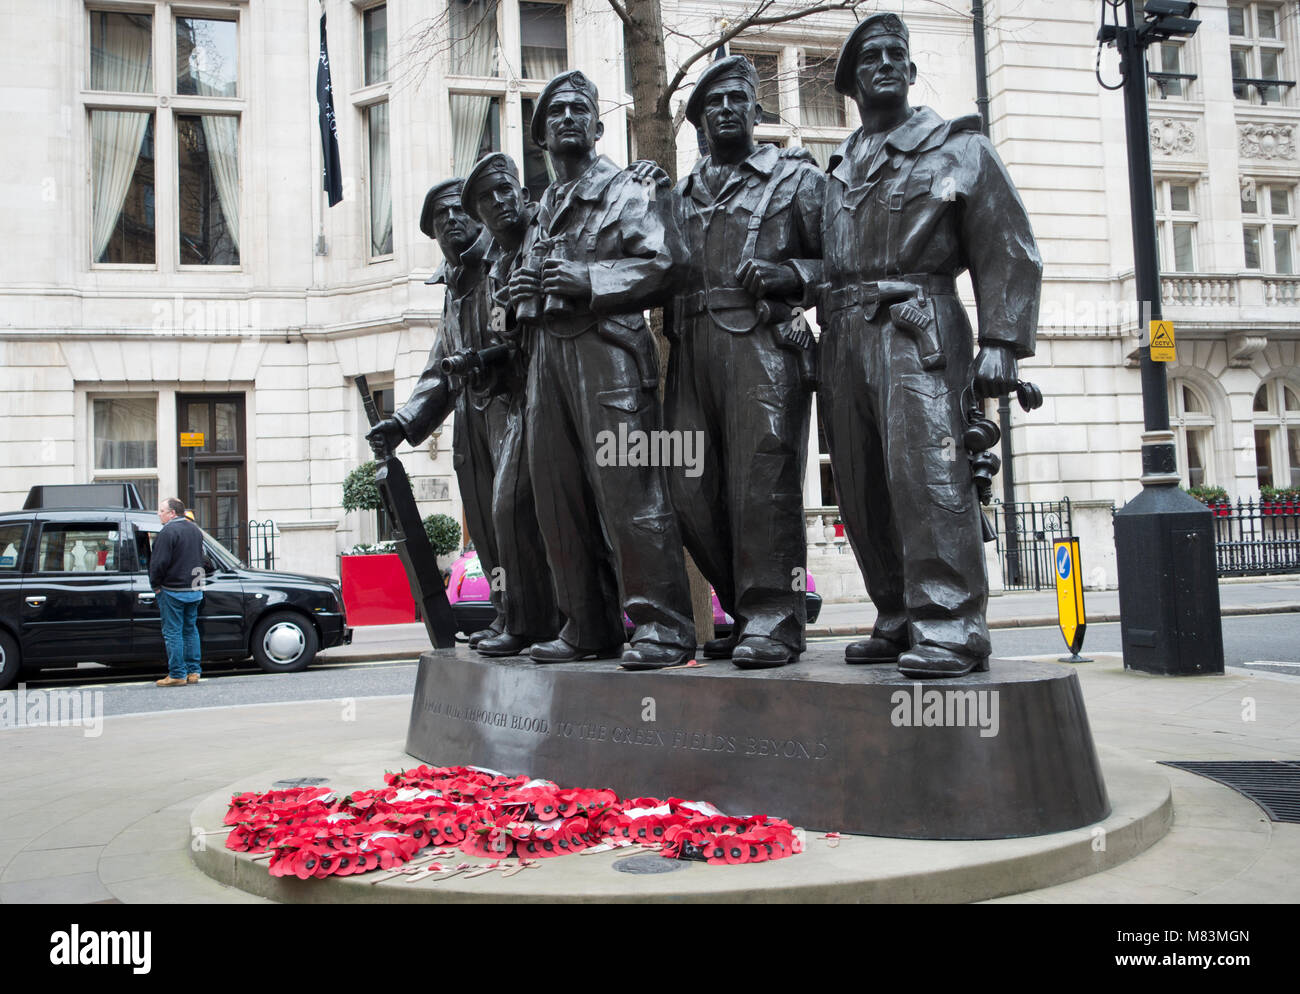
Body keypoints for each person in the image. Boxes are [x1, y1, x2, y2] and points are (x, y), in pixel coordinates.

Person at [819, 13, 1041, 678]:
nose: (885, 64)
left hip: (919, 321)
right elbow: (814, 258)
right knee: (860, 485)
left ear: (911, 72)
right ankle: (897, 614)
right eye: (870, 58)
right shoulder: (835, 168)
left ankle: (951, 625)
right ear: (853, 83)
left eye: (896, 55)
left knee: (929, 476)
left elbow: (1008, 246)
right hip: (843, 332)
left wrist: (1002, 341)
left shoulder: (958, 147)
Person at [508, 69, 695, 669]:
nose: (567, 118)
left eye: (577, 110)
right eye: (555, 112)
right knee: (557, 495)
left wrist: (591, 280)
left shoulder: (625, 191)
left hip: (607, 354)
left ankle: (662, 626)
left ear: (596, 125)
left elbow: (668, 263)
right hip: (547, 360)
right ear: (540, 137)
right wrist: (521, 296)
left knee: (630, 491)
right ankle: (585, 623)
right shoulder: (544, 208)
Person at [661, 55, 824, 669]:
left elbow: (847, 263)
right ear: (699, 121)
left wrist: (792, 274)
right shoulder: (678, 195)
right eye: (712, 104)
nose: (725, 110)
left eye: (736, 100)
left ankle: (774, 617)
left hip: (761, 342)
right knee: (688, 488)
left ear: (756, 111)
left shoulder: (793, 179)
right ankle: (741, 604)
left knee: (763, 482)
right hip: (691, 346)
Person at [366, 180, 508, 649]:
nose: (449, 222)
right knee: (486, 523)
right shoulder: (454, 284)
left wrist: (486, 357)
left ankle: (546, 616)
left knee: (514, 514)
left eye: (456, 211)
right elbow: (439, 366)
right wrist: (404, 422)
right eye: (438, 219)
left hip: (513, 406)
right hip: (471, 416)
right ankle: (509, 613)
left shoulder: (502, 261)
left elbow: (523, 334)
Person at [457, 152, 559, 656]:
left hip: (571, 381)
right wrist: (482, 361)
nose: (499, 203)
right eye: (486, 199)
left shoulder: (549, 224)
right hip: (526, 394)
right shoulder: (496, 265)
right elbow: (511, 337)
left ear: (521, 191)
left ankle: (579, 620)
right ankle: (526, 620)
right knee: (510, 507)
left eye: (504, 190)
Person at [151, 497, 206, 686]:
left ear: (172, 513)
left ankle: (177, 674)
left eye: (161, 510)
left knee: (173, 632)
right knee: (190, 630)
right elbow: (203, 559)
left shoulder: (168, 531)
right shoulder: (195, 529)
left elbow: (159, 563)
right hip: (194, 588)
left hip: (173, 589)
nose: (159, 514)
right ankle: (193, 672)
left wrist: (155, 585)